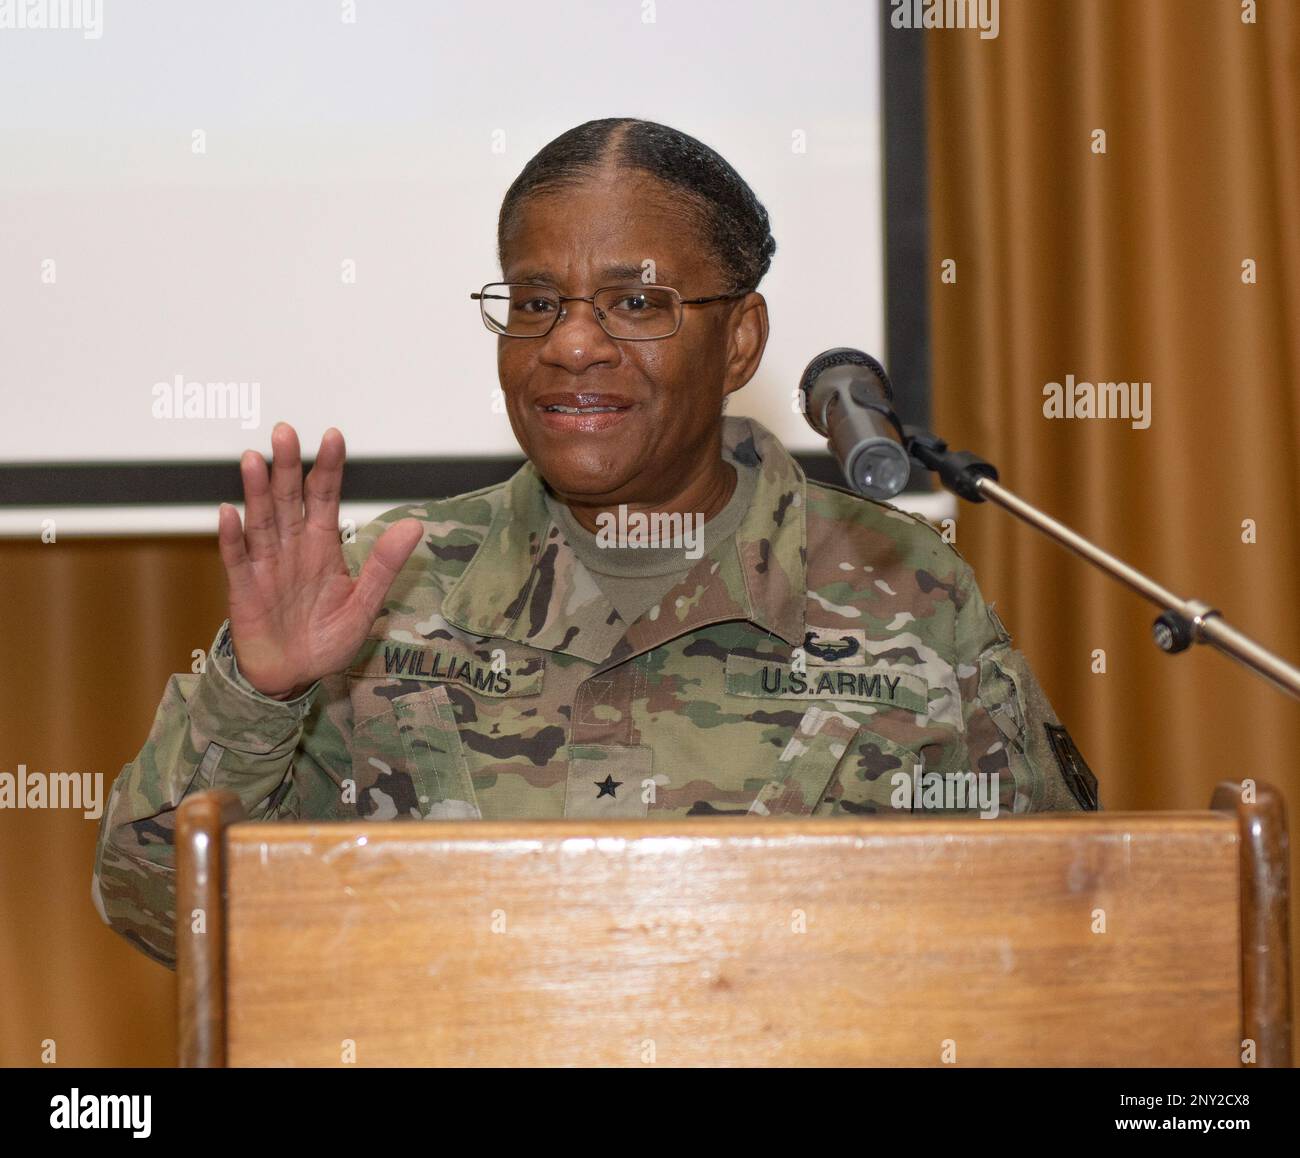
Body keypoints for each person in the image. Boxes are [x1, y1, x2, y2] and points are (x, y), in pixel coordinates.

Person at [93, 117, 1099, 970]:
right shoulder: (382, 592)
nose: (571, 343)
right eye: (535, 303)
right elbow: (162, 918)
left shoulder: (905, 589)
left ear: (740, 339)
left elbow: (1071, 926)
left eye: (634, 302)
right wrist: (256, 696)